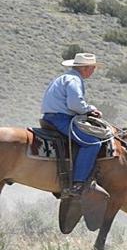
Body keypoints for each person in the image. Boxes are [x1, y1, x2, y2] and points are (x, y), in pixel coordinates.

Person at [41, 52, 107, 199]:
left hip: (51, 116)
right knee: (92, 143)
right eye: (92, 68)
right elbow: (75, 104)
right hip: (60, 119)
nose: (93, 71)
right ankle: (77, 184)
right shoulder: (74, 80)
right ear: (85, 68)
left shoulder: (63, 78)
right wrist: (90, 109)